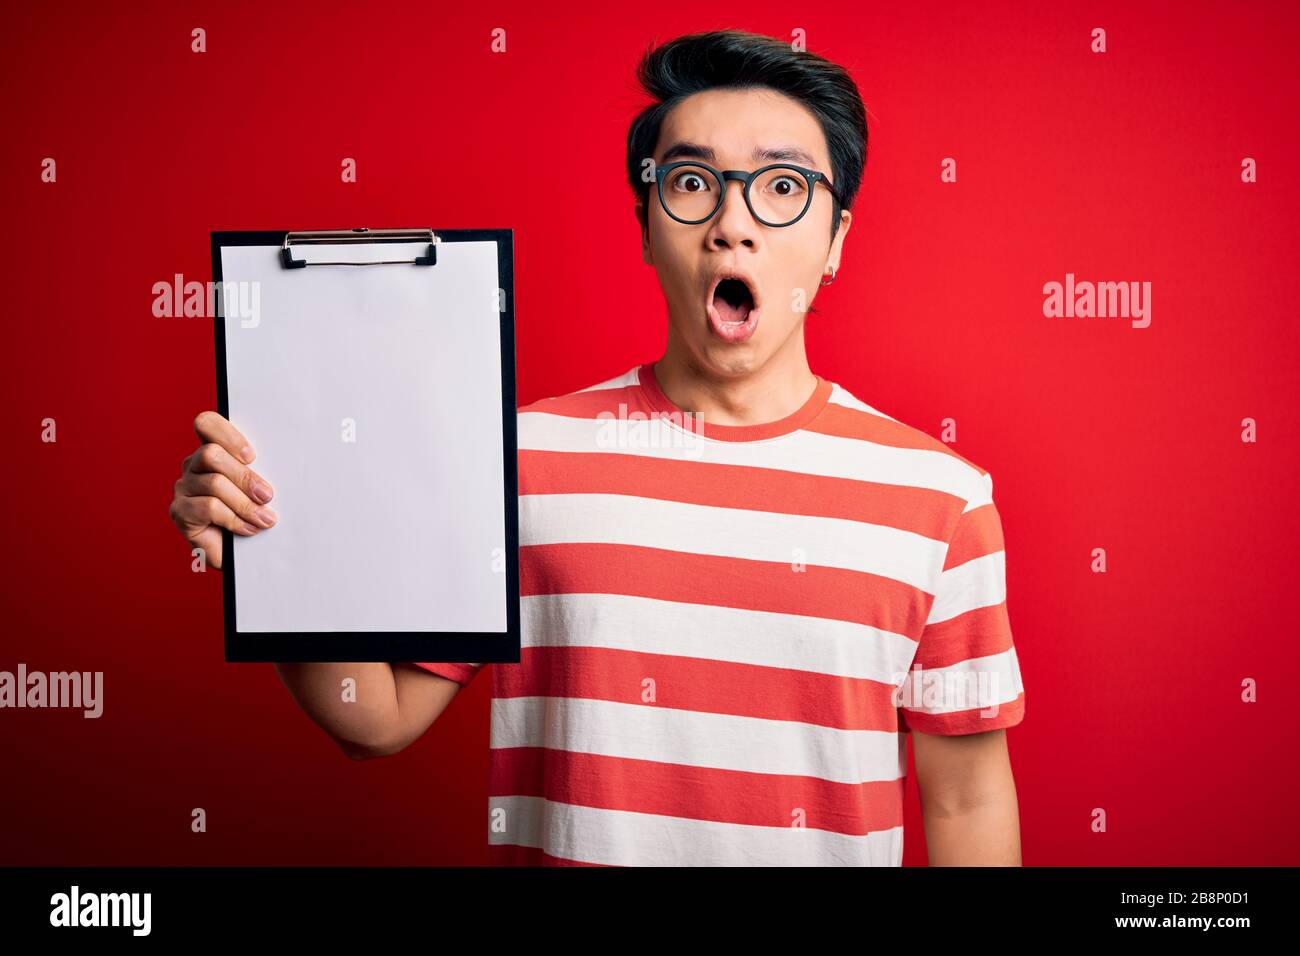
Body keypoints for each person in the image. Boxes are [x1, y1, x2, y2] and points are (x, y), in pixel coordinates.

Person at [168, 29, 1025, 866]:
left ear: (836, 238)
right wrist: (272, 545)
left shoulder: (941, 500)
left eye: (783, 188)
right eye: (691, 183)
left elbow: (967, 799)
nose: (733, 225)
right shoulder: (519, 460)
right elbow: (374, 721)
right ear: (649, 228)